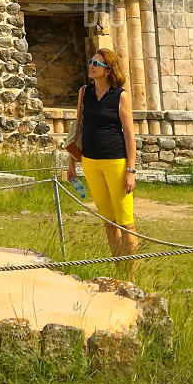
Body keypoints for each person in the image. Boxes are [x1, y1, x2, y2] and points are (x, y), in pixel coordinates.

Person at [64, 47, 139, 256]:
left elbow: (129, 134)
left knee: (126, 221)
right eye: (91, 62)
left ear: (108, 70)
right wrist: (71, 164)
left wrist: (130, 170)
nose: (91, 66)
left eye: (96, 64)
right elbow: (78, 128)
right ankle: (119, 266)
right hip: (90, 161)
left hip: (115, 160)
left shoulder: (120, 96)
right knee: (108, 220)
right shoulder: (84, 92)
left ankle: (131, 271)